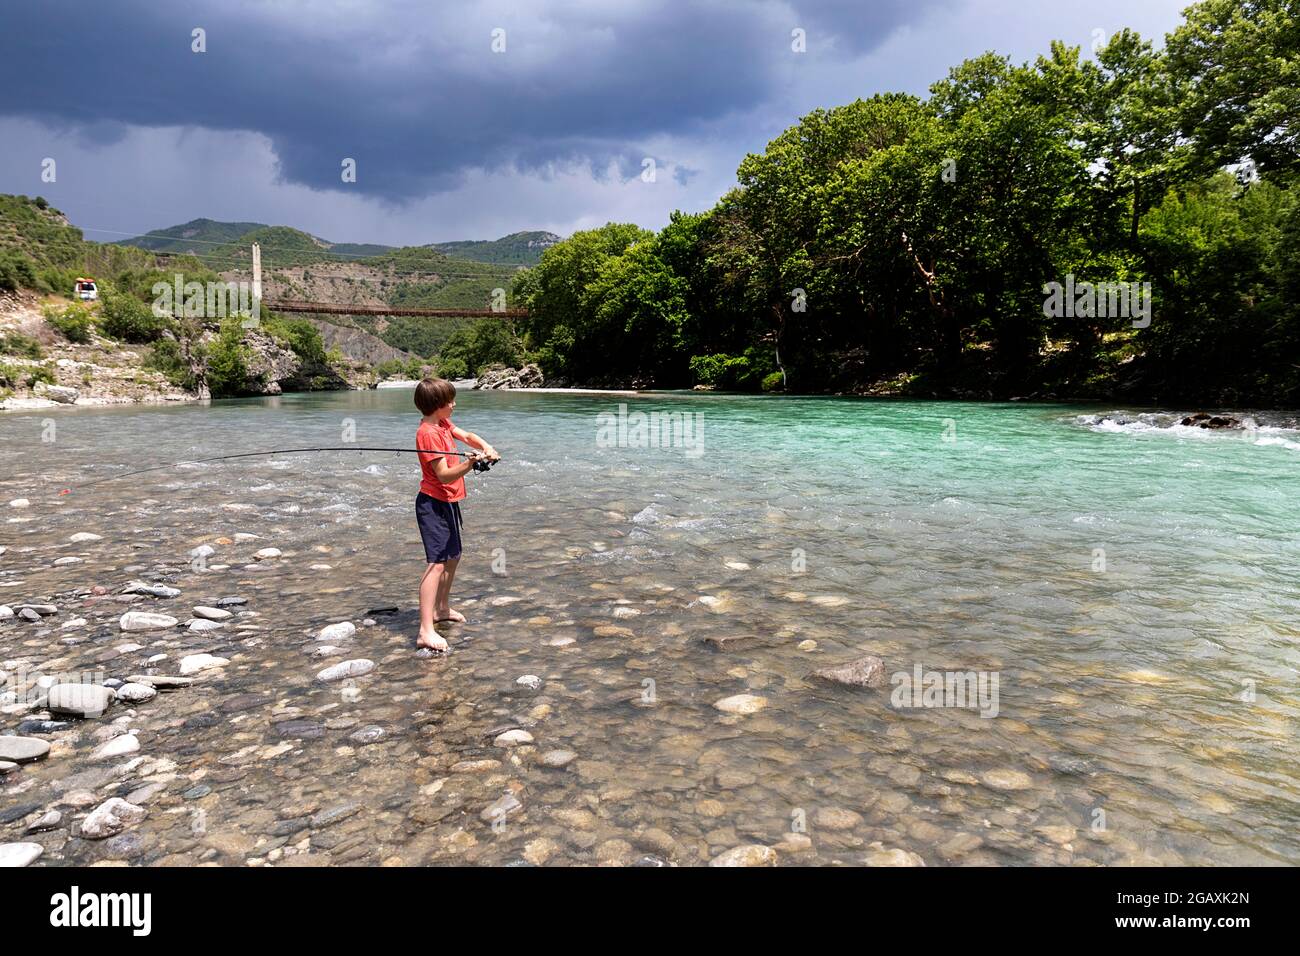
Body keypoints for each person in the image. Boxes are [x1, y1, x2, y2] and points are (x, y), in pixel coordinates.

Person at [412, 378, 499, 653]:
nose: (454, 404)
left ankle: (442, 608)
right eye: (450, 401)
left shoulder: (443, 424)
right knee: (436, 563)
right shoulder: (428, 433)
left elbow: (468, 436)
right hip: (432, 504)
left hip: (448, 502)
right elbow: (444, 474)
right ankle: (425, 630)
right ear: (438, 406)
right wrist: (470, 463)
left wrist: (486, 448)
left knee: (453, 557)